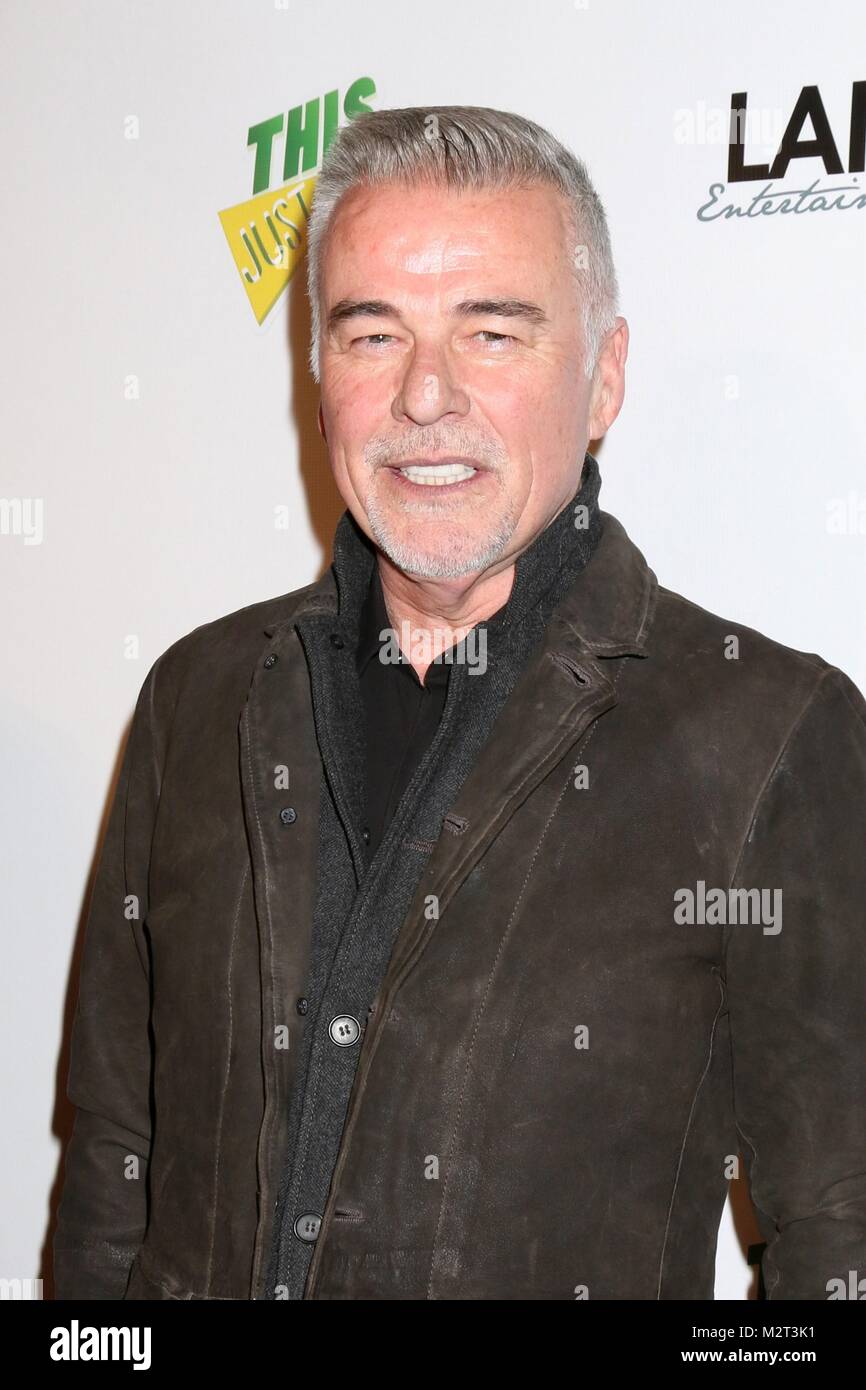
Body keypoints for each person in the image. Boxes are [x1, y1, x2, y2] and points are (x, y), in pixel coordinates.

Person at [54, 105, 866, 1301]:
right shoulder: (198, 698)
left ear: (601, 379)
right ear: (319, 371)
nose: (424, 396)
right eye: (373, 334)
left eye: (491, 333)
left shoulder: (765, 735)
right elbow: (110, 1176)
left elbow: (839, 1229)